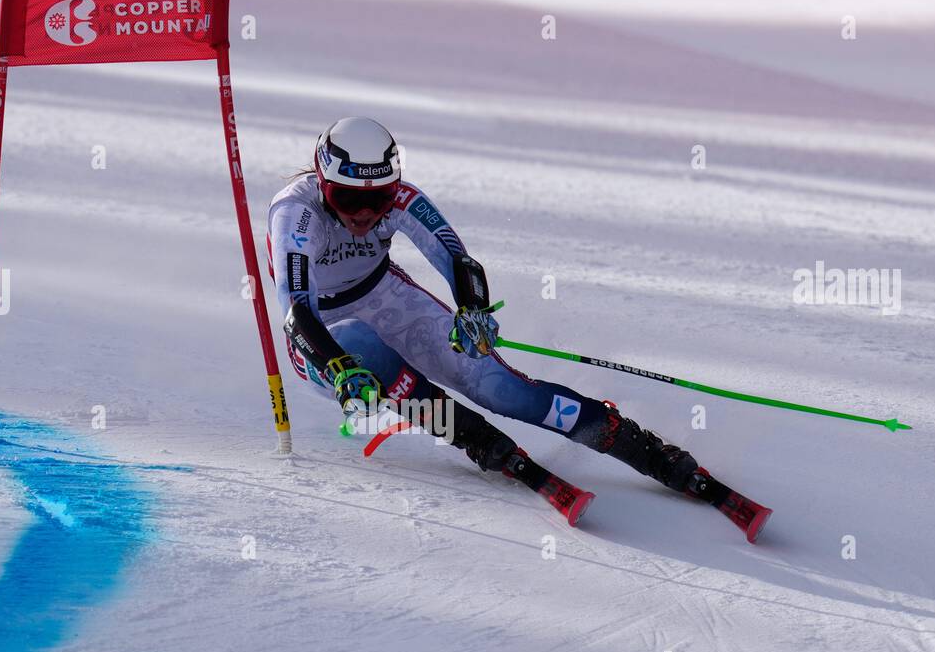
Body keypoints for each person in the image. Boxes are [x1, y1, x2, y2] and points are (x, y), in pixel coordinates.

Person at [267, 117, 768, 537]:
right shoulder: (296, 213)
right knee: (360, 347)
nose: (365, 213)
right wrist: (337, 367)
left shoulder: (400, 201)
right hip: (317, 334)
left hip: (382, 295)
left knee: (501, 387)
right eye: (349, 198)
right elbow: (297, 310)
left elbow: (458, 260)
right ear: (322, 180)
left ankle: (642, 448)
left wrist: (474, 310)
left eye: (379, 199)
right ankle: (472, 437)